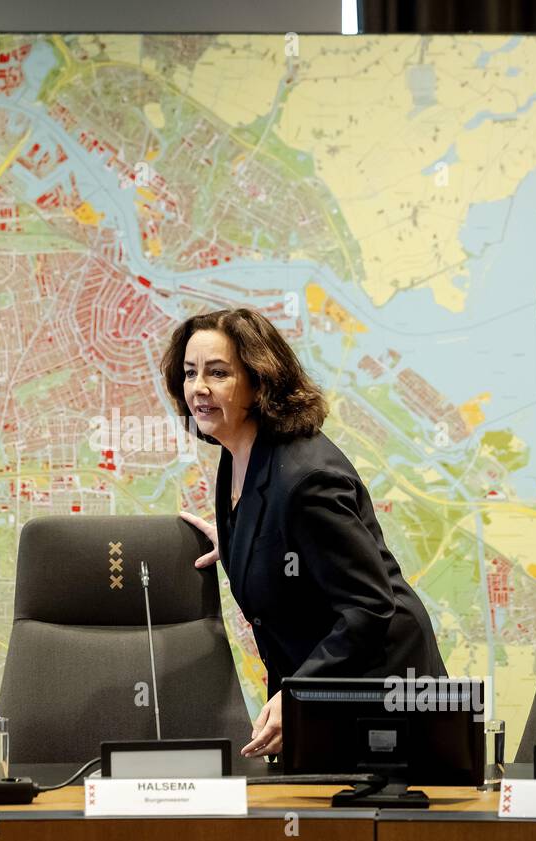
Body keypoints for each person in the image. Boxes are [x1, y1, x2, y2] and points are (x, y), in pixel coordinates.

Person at [162, 307, 447, 759]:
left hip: (383, 697)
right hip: (328, 694)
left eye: (218, 373)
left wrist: (299, 692)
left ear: (259, 383)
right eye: (190, 372)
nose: (199, 388)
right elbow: (281, 535)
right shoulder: (238, 452)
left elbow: (370, 607)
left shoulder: (308, 477)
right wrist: (242, 542)